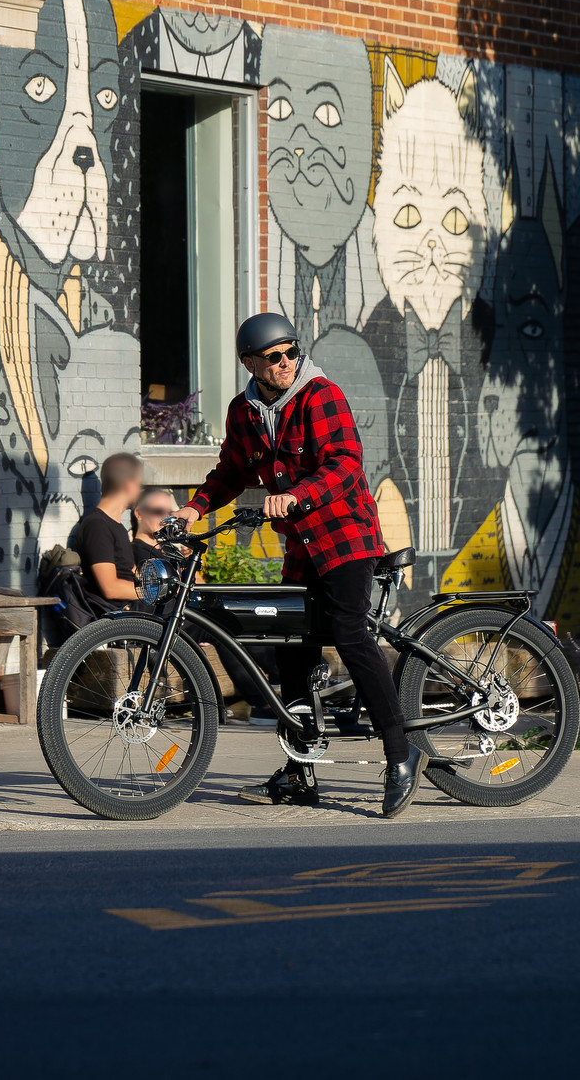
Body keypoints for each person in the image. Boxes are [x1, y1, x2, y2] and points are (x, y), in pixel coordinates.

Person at [175, 311, 423, 818]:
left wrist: (297, 496)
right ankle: (298, 769)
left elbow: (346, 462)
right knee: (288, 645)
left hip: (346, 537)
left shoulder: (320, 396)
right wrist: (192, 508)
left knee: (350, 634)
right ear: (250, 363)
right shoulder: (242, 413)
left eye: (292, 351)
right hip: (302, 548)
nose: (287, 361)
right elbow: (230, 470)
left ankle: (400, 755)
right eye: (274, 356)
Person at [76, 452, 144, 603]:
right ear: (129, 485)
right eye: (139, 485)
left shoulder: (117, 526)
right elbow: (111, 588)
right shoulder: (97, 526)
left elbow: (132, 573)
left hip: (135, 612)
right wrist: (156, 593)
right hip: (120, 620)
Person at [130, 485, 181, 575]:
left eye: (169, 513)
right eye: (159, 511)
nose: (165, 518)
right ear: (139, 514)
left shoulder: (171, 549)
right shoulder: (131, 553)